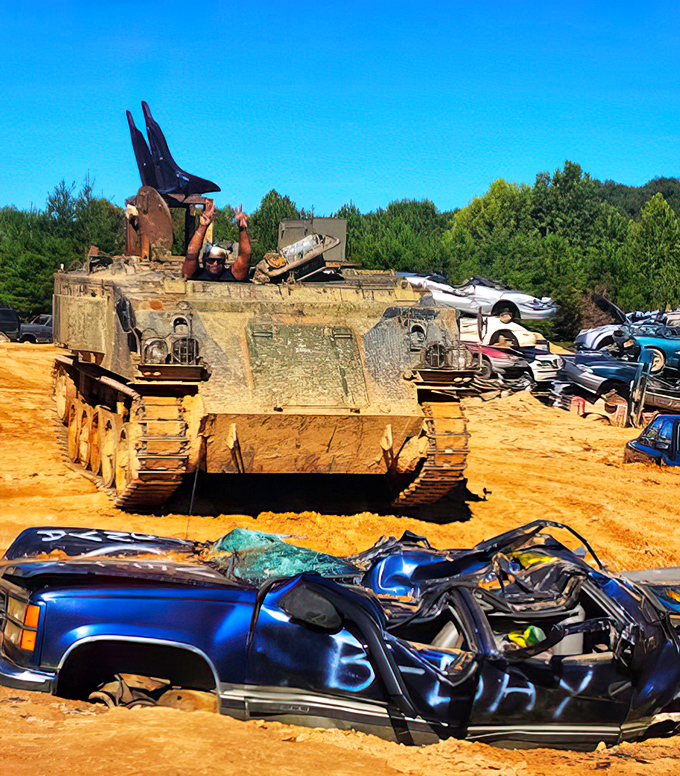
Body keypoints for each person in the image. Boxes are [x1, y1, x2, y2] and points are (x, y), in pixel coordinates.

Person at [182, 200, 251, 281]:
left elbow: (246, 256)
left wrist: (242, 230)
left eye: (219, 261)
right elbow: (191, 254)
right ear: (204, 261)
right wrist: (202, 226)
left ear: (224, 262)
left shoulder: (233, 275)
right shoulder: (195, 273)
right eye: (211, 260)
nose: (215, 264)